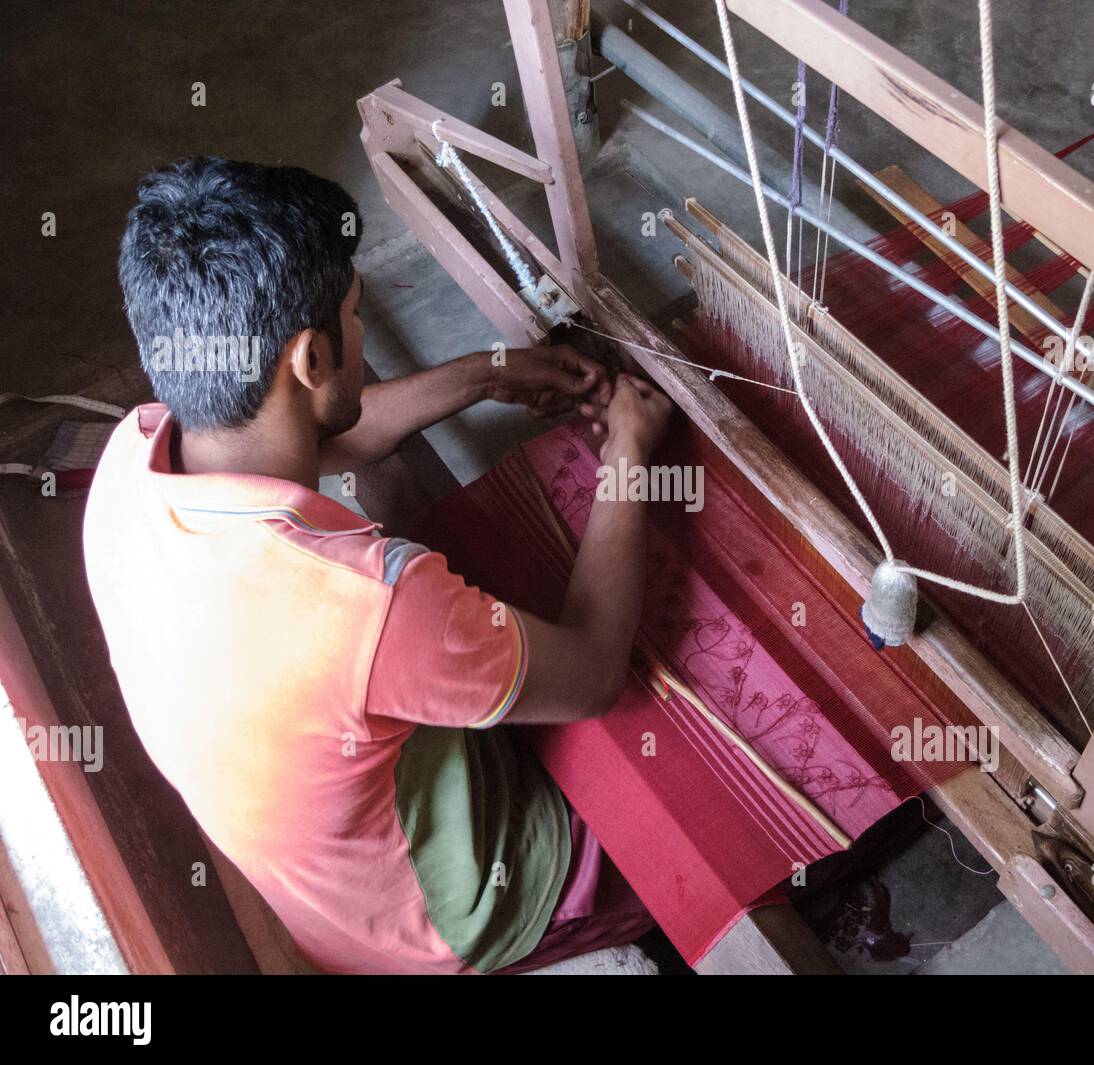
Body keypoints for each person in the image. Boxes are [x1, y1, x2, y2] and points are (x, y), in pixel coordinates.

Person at [84, 157, 670, 974]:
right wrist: (630, 456)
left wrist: (486, 372)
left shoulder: (132, 457)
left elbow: (317, 439)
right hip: (435, 924)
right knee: (683, 815)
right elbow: (596, 668)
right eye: (355, 317)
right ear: (309, 361)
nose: (362, 330)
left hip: (325, 895)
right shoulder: (364, 605)